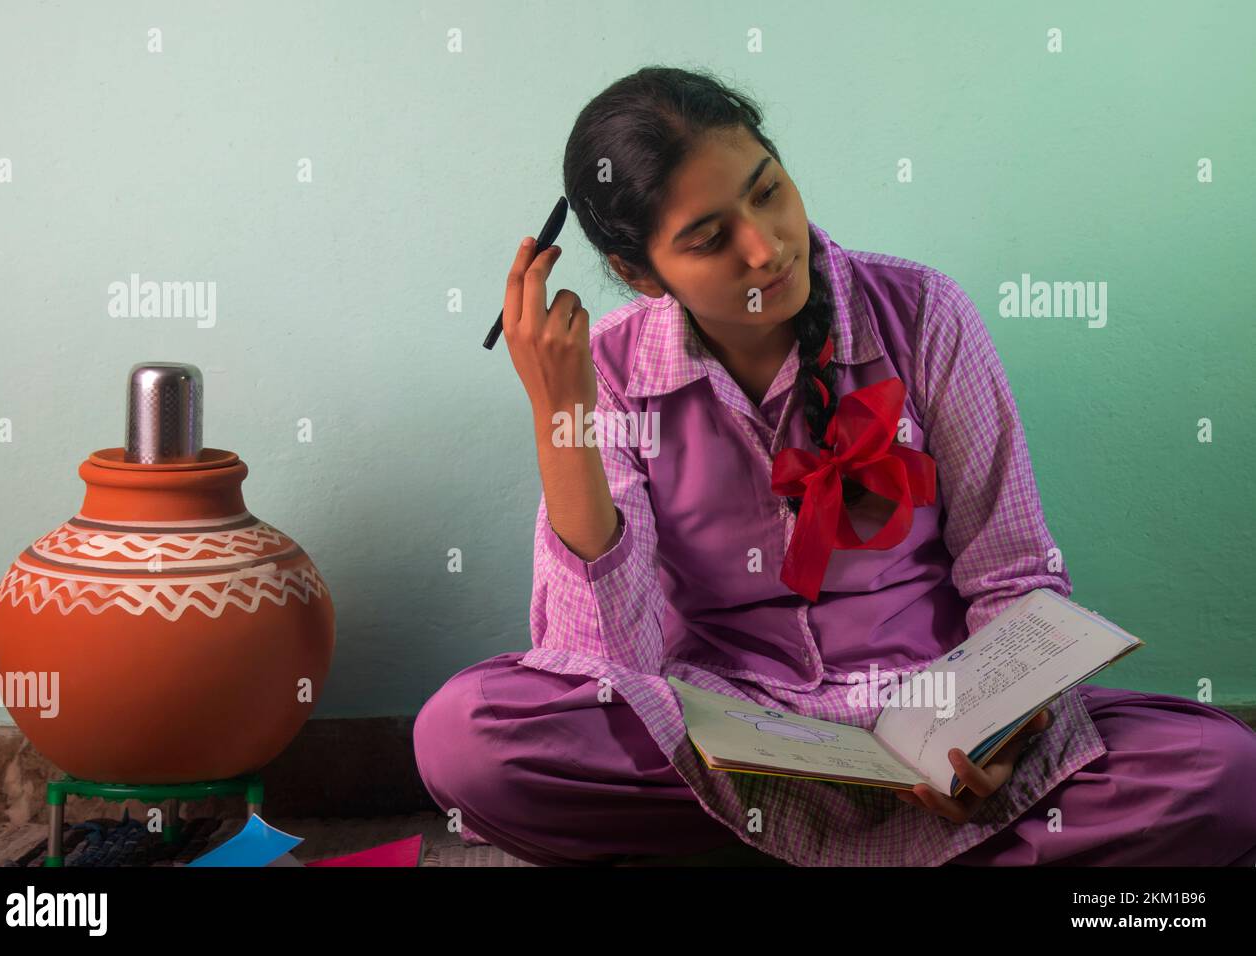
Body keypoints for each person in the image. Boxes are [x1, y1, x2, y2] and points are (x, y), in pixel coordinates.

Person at [413, 66, 1256, 866]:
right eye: (710, 239)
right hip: (729, 742)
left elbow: (1015, 578)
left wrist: (994, 735)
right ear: (640, 274)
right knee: (467, 737)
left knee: (1225, 771)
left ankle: (786, 849)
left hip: (933, 720)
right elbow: (612, 664)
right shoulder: (610, 371)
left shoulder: (923, 314)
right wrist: (561, 414)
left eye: (768, 190)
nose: (767, 248)